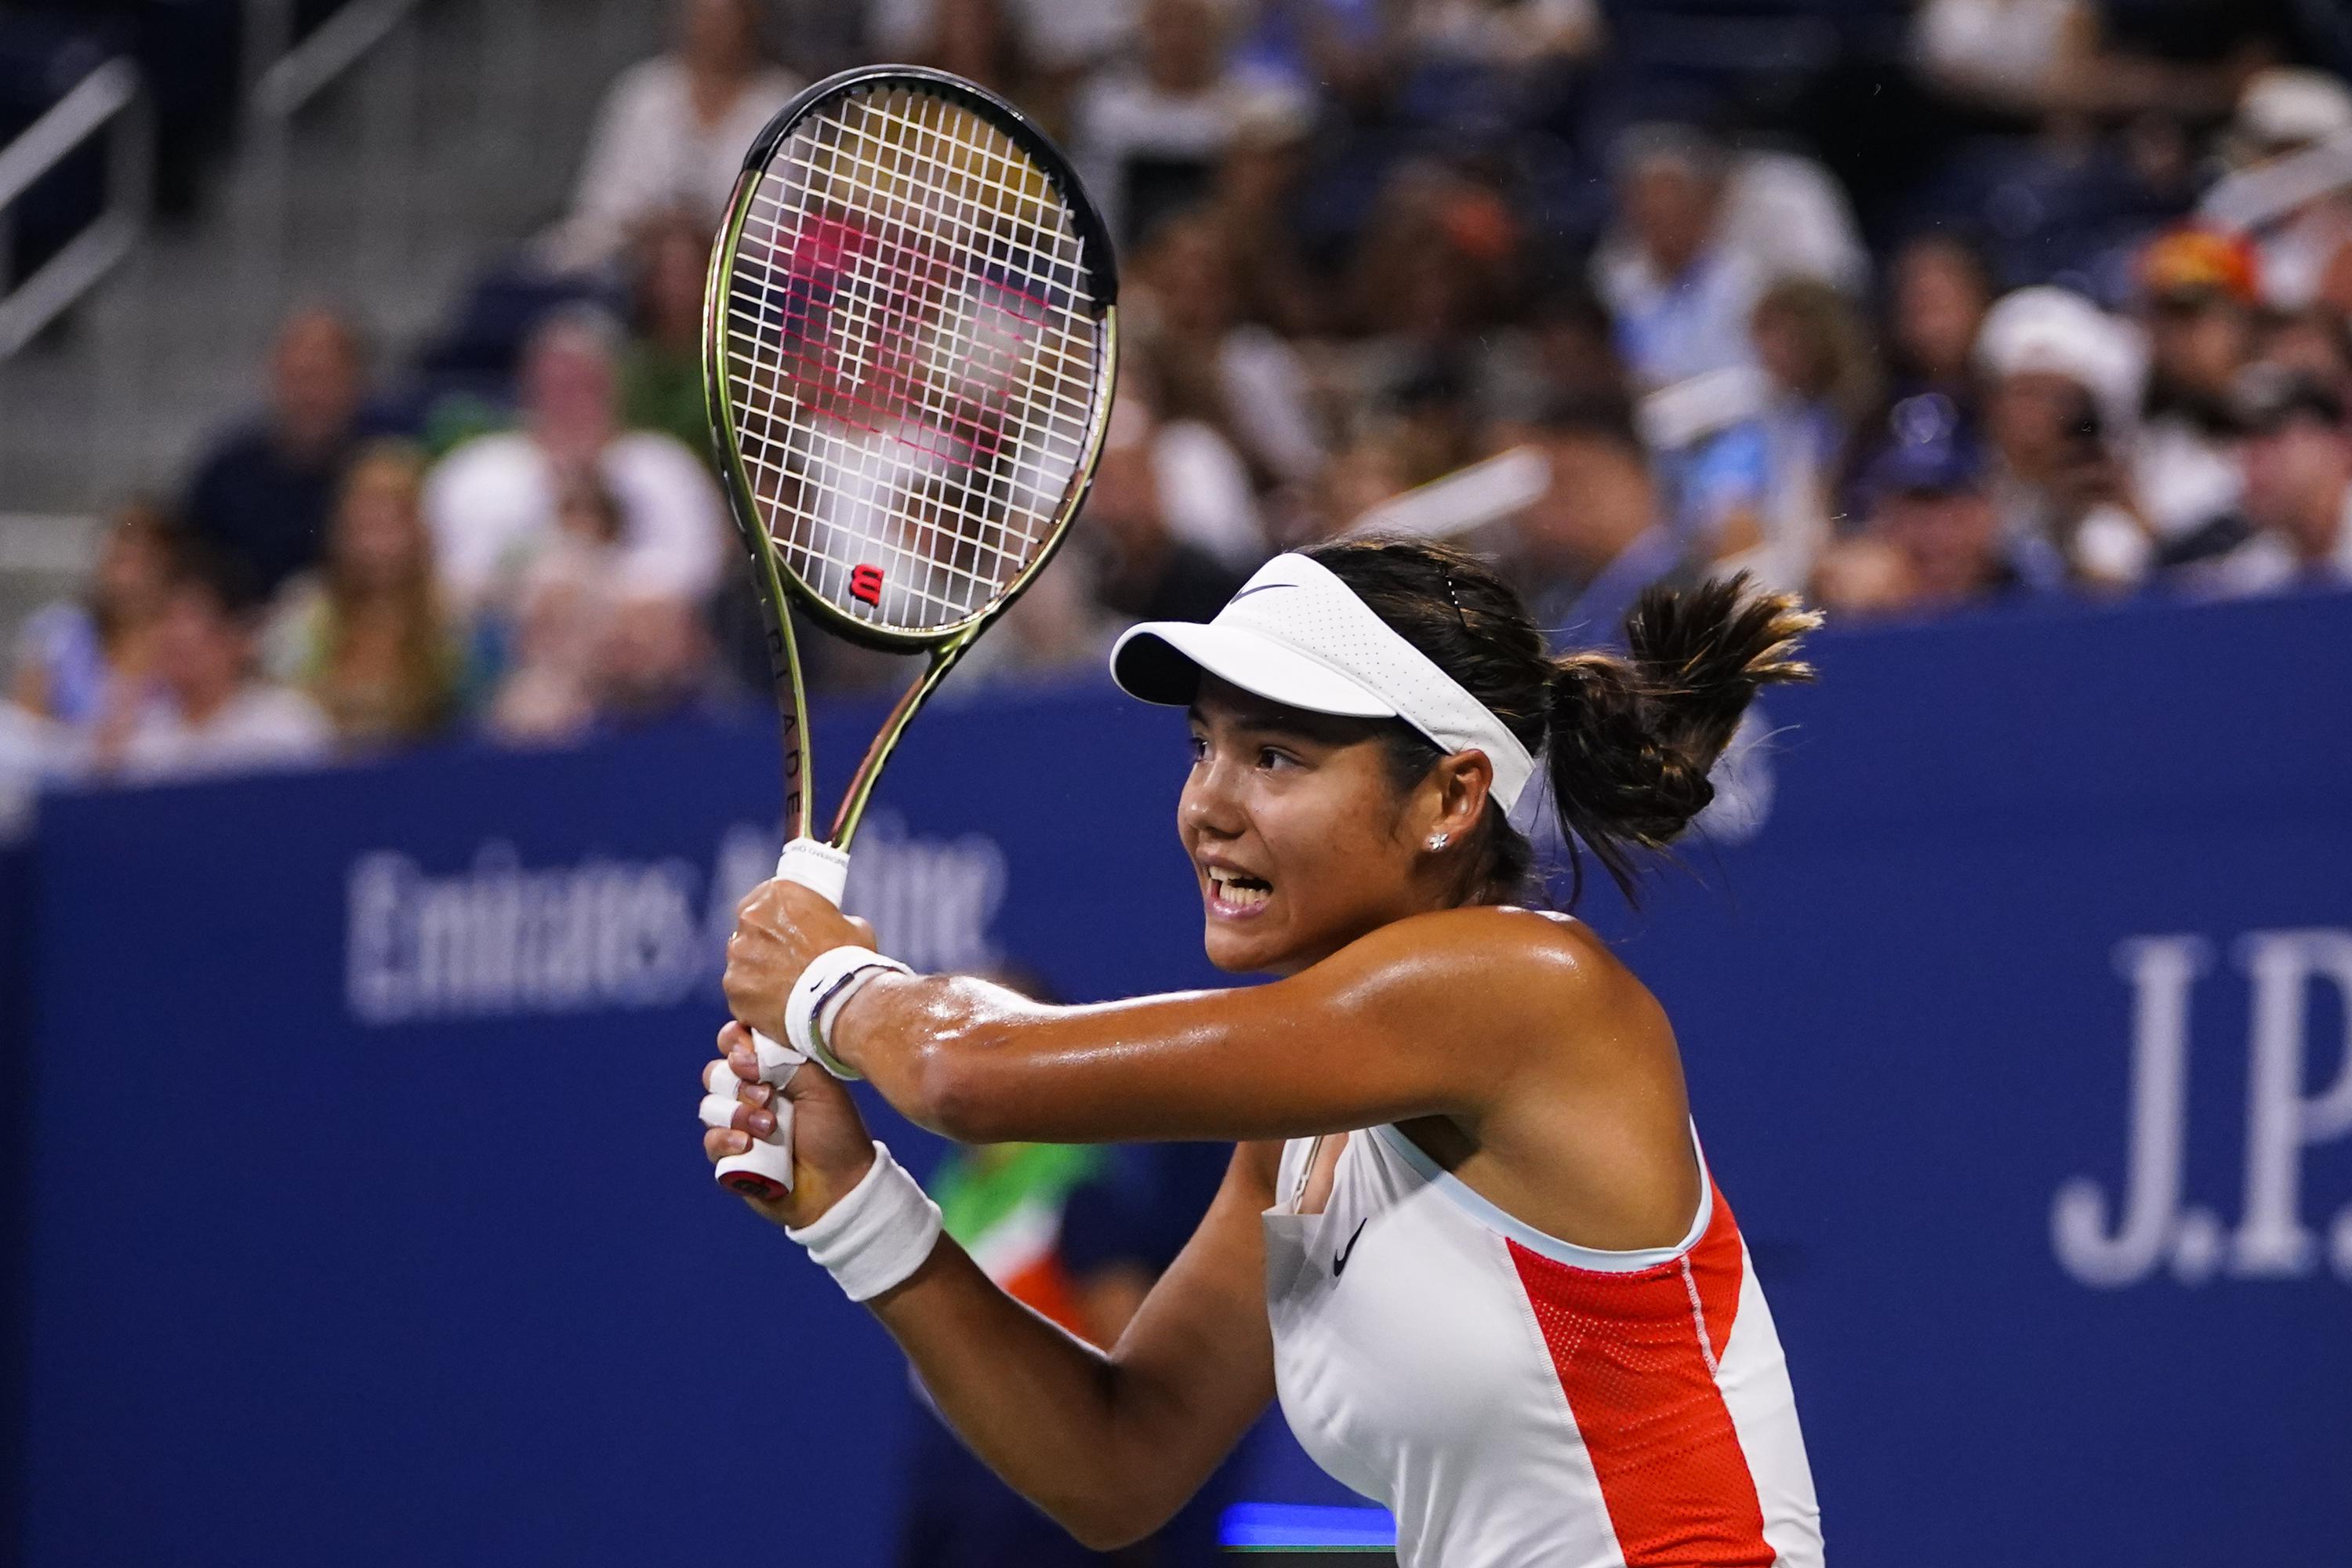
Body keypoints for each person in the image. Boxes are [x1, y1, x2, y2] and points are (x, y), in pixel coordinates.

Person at [702, 538, 1825, 1565]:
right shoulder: (1298, 1130)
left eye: (1277, 757)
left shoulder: (1525, 989)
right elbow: (1118, 1465)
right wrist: (848, 1205)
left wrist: (829, 981)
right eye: (1204, 747)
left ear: (1451, 794)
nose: (1208, 805)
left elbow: (966, 1074)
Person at [423, 311, 729, 621]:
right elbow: (447, 577)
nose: (569, 399)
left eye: (585, 383)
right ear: (527, 388)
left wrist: (602, 595)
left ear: (614, 386)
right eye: (555, 384)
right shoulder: (473, 471)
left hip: (640, 641)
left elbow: (700, 570)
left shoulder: (665, 466)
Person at [540, 0, 803, 274]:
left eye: (725, 17)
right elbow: (602, 208)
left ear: (751, 19)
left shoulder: (782, 101)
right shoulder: (642, 92)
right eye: (702, 16)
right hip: (628, 267)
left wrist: (697, 239)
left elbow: (775, 225)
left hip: (741, 276)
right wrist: (661, 232)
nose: (713, 29)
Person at [265, 444, 464, 750]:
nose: (375, 547)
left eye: (390, 527)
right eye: (363, 529)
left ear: (420, 530)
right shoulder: (306, 617)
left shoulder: (456, 618)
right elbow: (280, 715)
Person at [85, 543, 332, 783]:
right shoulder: (139, 740)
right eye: (163, 617)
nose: (174, 634)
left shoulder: (285, 726)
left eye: (192, 617)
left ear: (237, 635)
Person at [182, 308, 375, 597]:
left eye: (323, 378)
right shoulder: (225, 475)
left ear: (355, 381)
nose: (310, 395)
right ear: (273, 376)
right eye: (300, 378)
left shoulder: (379, 472)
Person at [2179, 369, 2352, 595]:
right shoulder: (2253, 575)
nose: (2250, 461)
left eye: (2271, 437)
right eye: (2243, 442)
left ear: (2336, 444)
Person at [9, 499, 176, 728]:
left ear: (164, 568)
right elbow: (25, 732)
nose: (123, 578)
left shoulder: (186, 645)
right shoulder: (57, 633)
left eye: (135, 562)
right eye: (115, 560)